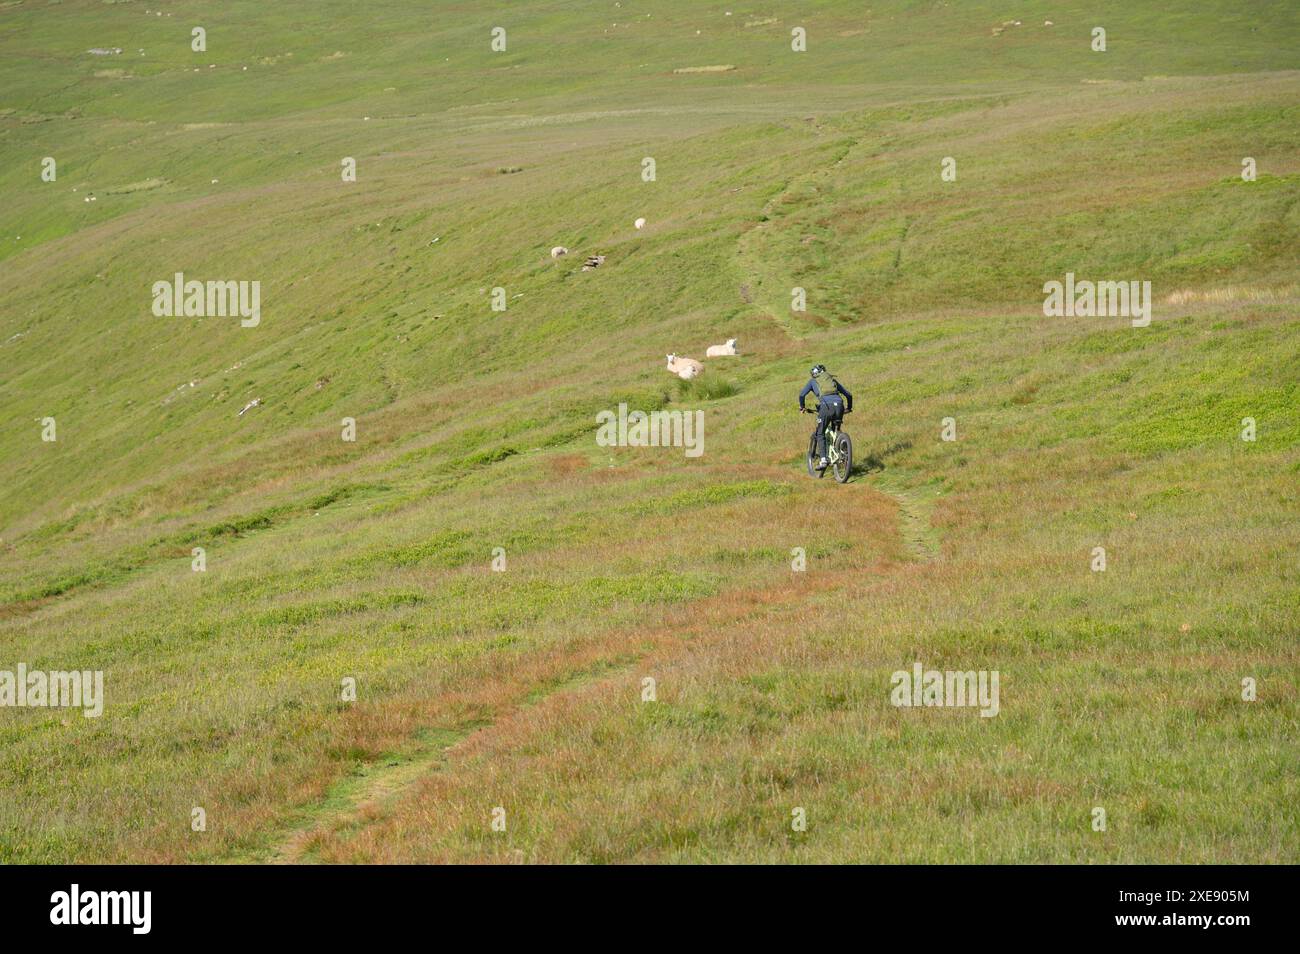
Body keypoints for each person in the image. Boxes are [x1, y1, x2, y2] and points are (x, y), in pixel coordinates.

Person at [799, 364, 853, 469]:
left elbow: (802, 395)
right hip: (840, 406)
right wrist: (849, 408)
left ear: (814, 374)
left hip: (826, 407)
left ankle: (823, 460)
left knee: (820, 433)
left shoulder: (813, 381)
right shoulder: (831, 381)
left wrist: (802, 407)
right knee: (835, 430)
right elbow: (848, 395)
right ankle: (843, 450)